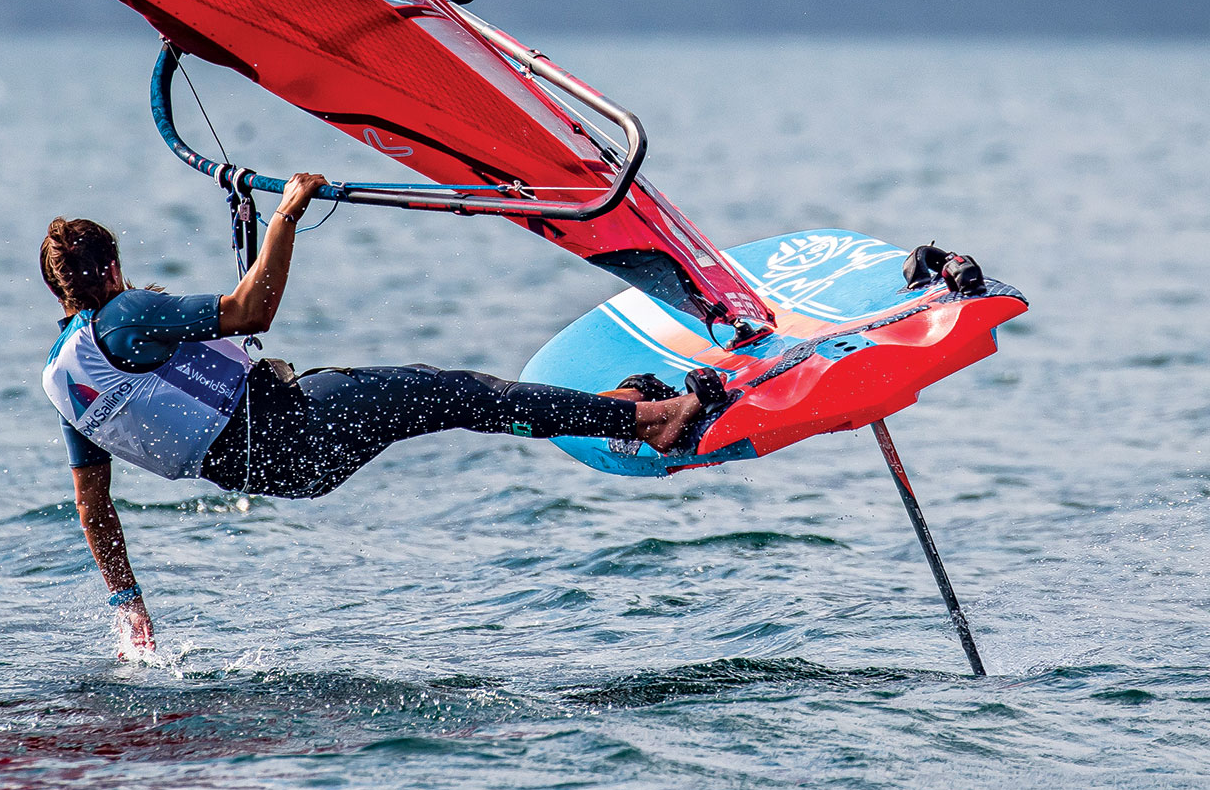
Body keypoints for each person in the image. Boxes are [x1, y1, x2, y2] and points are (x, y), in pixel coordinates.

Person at [39, 173, 710, 655]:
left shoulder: (67, 380)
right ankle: (650, 421)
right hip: (300, 425)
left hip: (283, 474)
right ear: (111, 268)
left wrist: (127, 602)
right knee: (462, 395)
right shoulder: (124, 312)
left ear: (57, 290)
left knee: (456, 403)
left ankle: (619, 411)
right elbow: (251, 311)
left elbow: (93, 506)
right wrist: (286, 216)